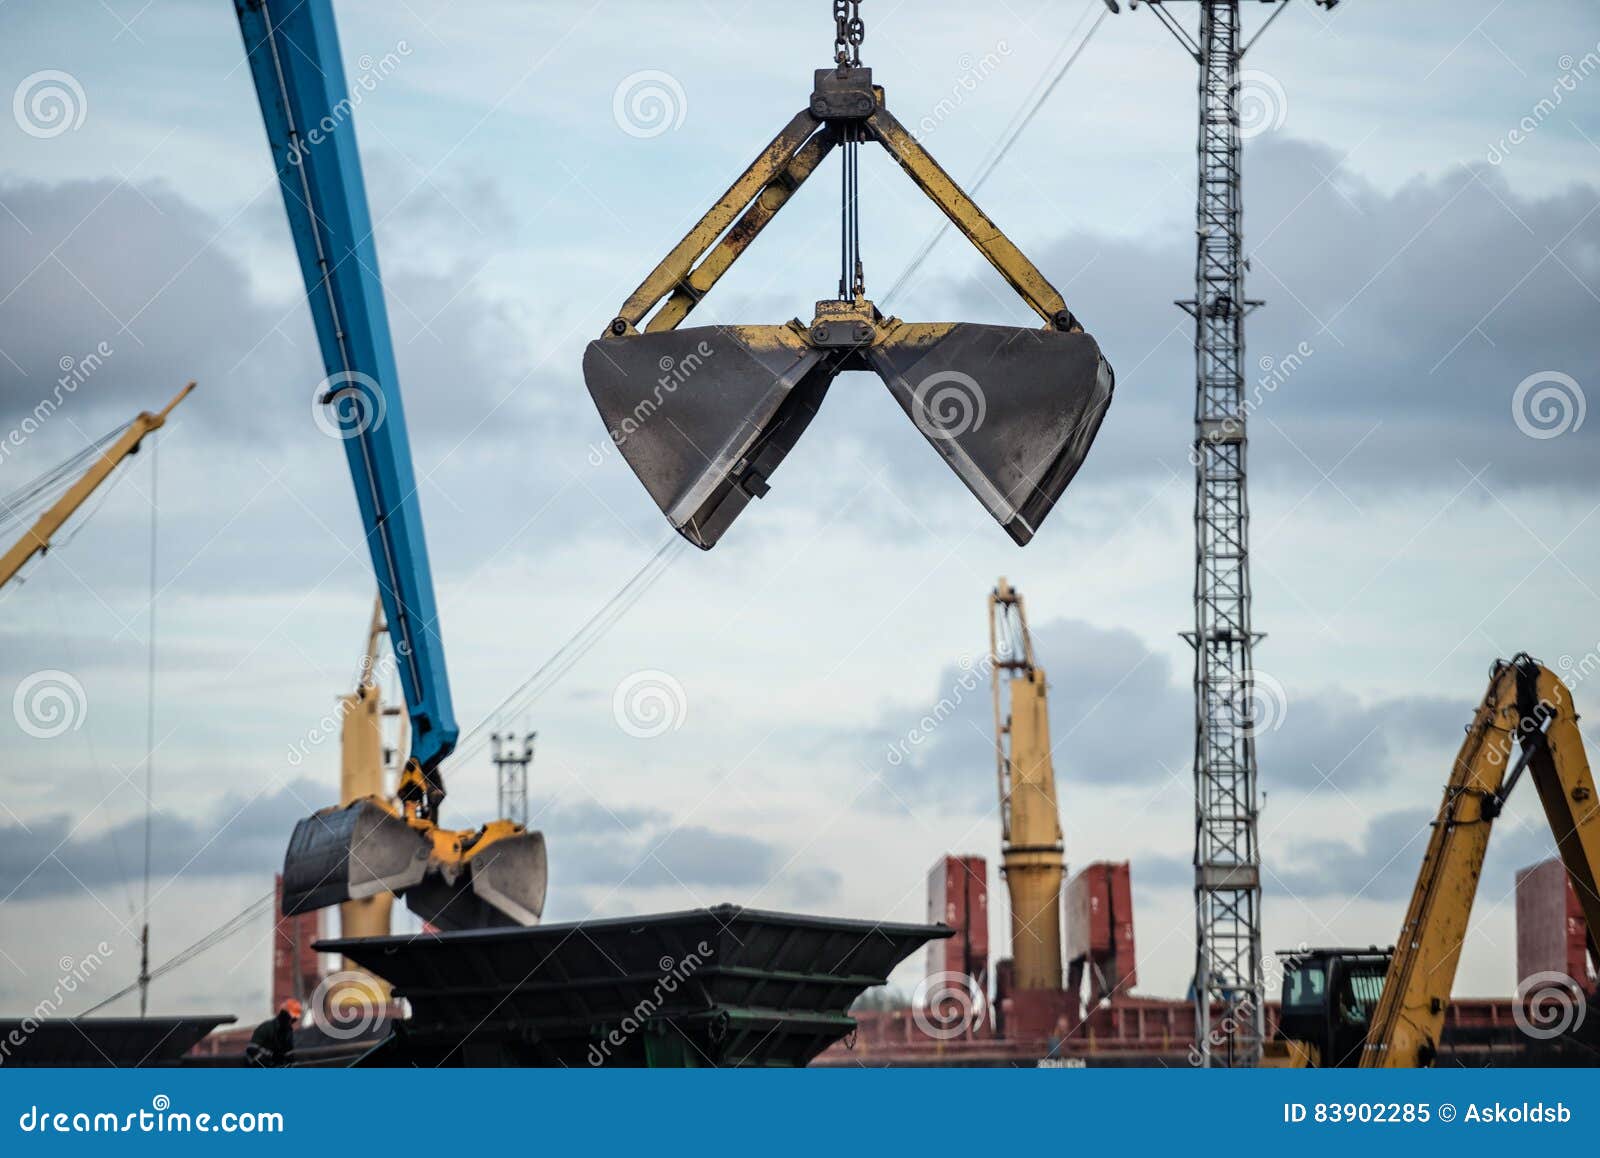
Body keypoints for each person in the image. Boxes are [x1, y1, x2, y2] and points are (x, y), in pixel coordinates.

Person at [245, 999, 300, 1067]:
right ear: (283, 1015)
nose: (291, 1022)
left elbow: (289, 1054)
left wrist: (290, 1062)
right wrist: (271, 1059)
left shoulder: (288, 1033)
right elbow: (251, 1050)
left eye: (294, 1019)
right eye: (291, 1018)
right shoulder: (266, 1028)